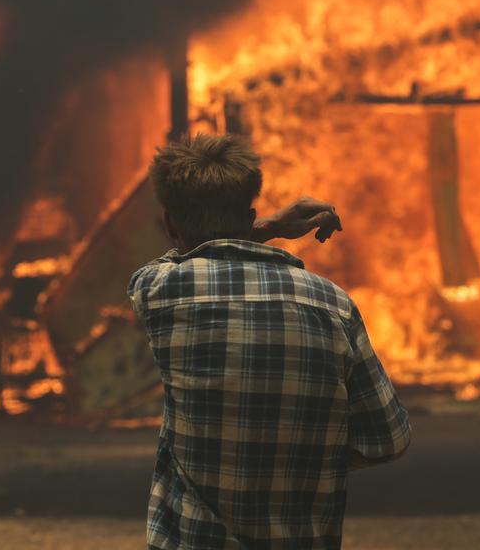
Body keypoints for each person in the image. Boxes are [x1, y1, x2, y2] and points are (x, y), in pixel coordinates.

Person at [128, 134, 411, 550]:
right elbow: (390, 439)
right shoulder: (332, 304)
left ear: (170, 224)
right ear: (250, 212)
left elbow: (179, 258)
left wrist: (270, 229)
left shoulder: (161, 290)